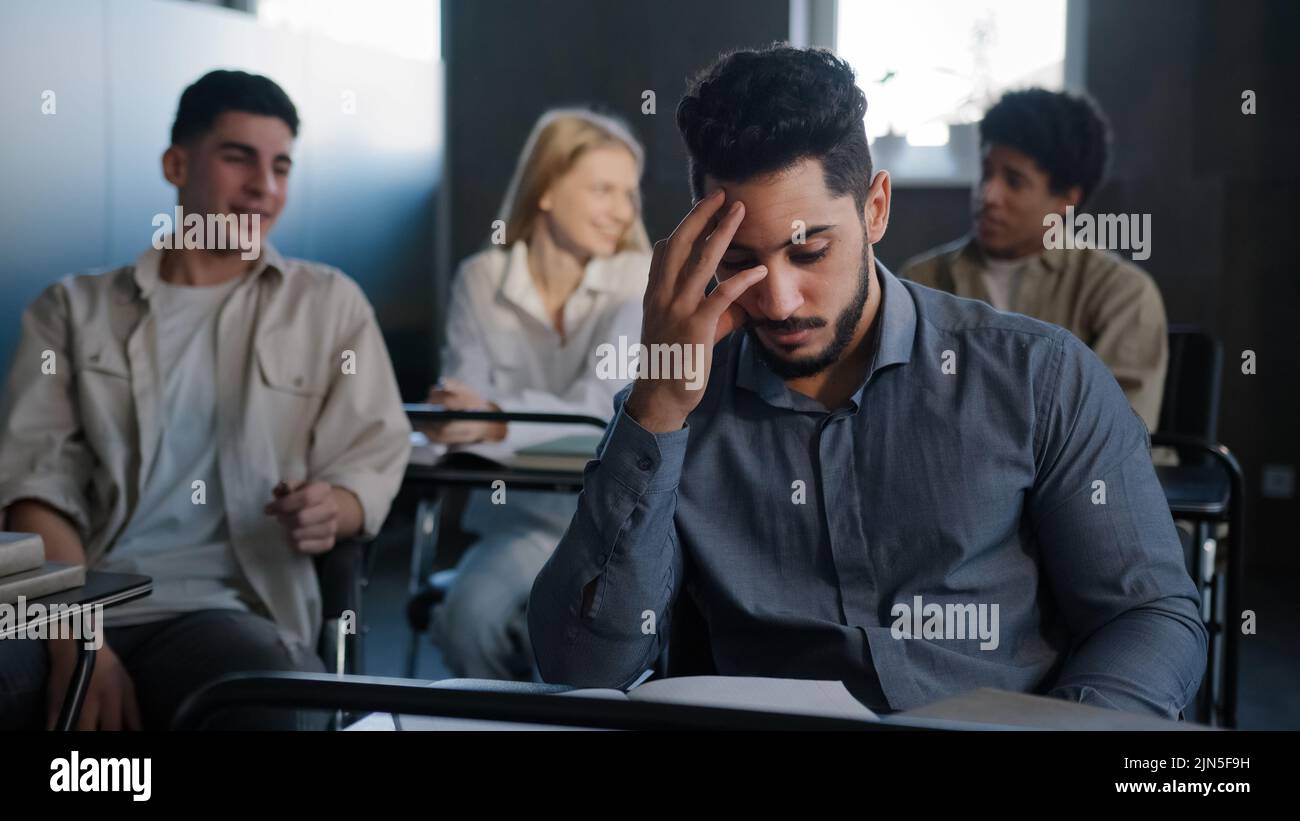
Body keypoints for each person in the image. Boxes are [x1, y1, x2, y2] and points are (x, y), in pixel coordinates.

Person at [528, 46, 1206, 719]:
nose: (781, 300)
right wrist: (655, 406)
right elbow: (580, 668)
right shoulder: (672, 412)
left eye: (809, 251)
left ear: (875, 207)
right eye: (740, 263)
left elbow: (1147, 616)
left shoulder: (1042, 379)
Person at [0, 70, 410, 730]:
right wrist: (80, 640)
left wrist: (333, 505)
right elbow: (34, 491)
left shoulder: (329, 304)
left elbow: (371, 457)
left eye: (281, 166)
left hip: (229, 611)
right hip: (75, 599)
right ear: (176, 164)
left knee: (266, 698)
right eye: (238, 157)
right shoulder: (69, 310)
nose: (265, 188)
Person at [426, 109, 651, 679]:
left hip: (614, 529)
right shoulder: (480, 278)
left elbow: (604, 405)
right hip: (522, 523)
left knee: (575, 648)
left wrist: (498, 420)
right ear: (546, 189)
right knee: (465, 623)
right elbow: (465, 403)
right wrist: (467, 415)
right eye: (603, 189)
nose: (623, 211)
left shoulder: (639, 276)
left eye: (629, 193)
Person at [901, 88, 1168, 431]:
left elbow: (1117, 437)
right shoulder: (921, 280)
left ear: (1065, 201)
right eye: (986, 172)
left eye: (1014, 181)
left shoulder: (1121, 294)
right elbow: (899, 409)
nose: (987, 194)